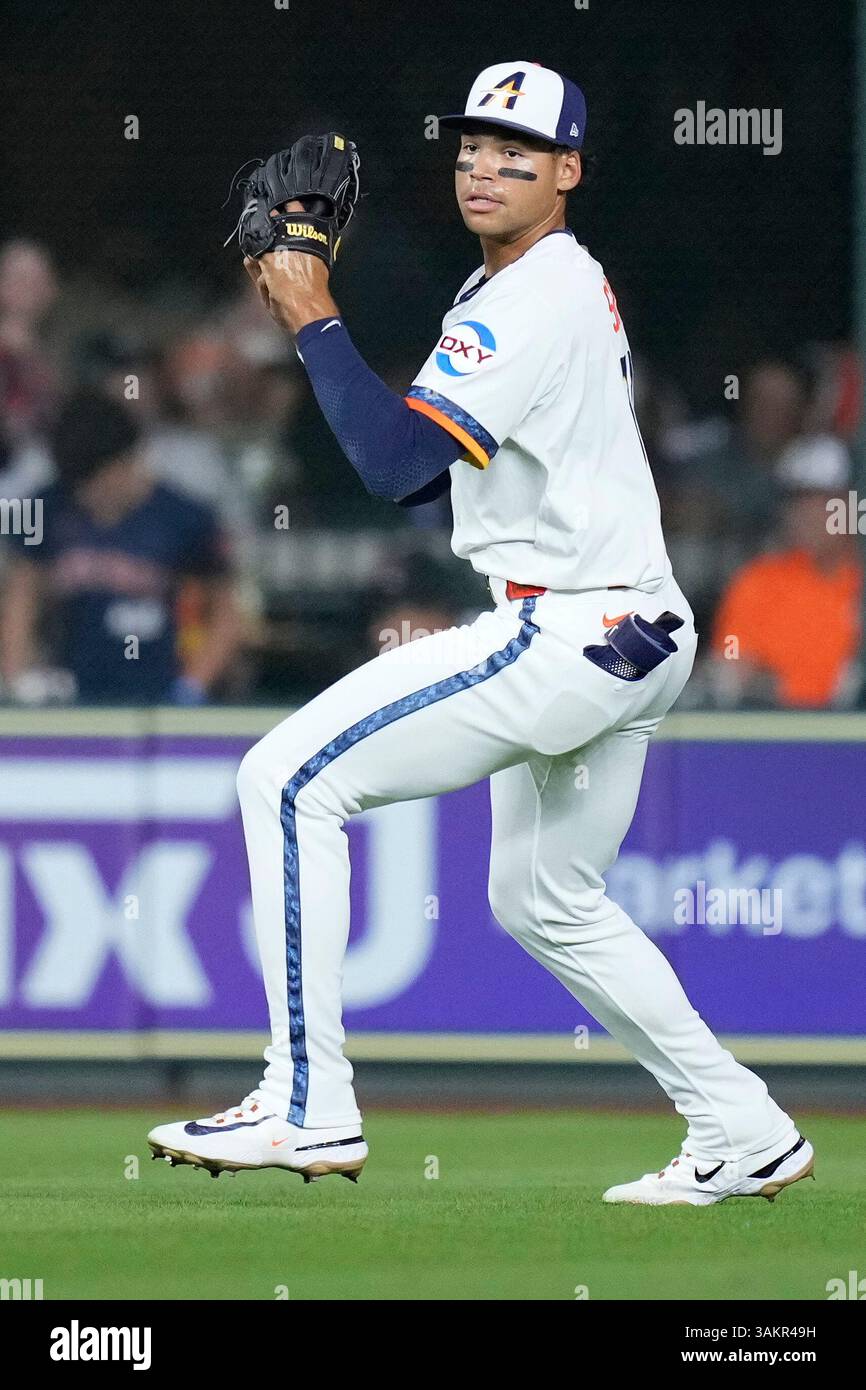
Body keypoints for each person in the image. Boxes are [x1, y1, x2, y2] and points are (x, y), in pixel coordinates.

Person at [148, 62, 813, 1204]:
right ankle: (740, 1127)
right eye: (468, 147)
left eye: (516, 150)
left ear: (568, 173)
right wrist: (310, 316)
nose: (483, 166)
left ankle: (307, 1102)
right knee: (543, 897)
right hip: (632, 623)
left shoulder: (533, 294)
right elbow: (416, 443)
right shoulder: (516, 284)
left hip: (569, 625)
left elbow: (401, 466)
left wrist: (312, 314)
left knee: (285, 779)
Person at [0, 390, 244, 706]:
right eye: (79, 486)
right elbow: (19, 603)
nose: (89, 496)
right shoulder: (45, 508)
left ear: (128, 459)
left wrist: (192, 686)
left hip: (158, 697)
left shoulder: (186, 517)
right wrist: (21, 682)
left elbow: (228, 615)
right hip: (68, 700)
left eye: (99, 481)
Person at [711, 435, 861, 708]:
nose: (806, 514)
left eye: (822, 500)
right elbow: (730, 675)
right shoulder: (758, 580)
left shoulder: (858, 581)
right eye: (797, 501)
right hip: (778, 734)